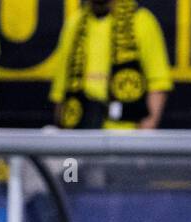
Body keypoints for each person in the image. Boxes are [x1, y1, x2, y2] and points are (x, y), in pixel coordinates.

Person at [51, 0, 172, 130]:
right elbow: (61, 90)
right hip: (79, 132)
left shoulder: (141, 20)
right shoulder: (74, 23)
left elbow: (158, 84)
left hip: (125, 134)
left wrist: (142, 138)